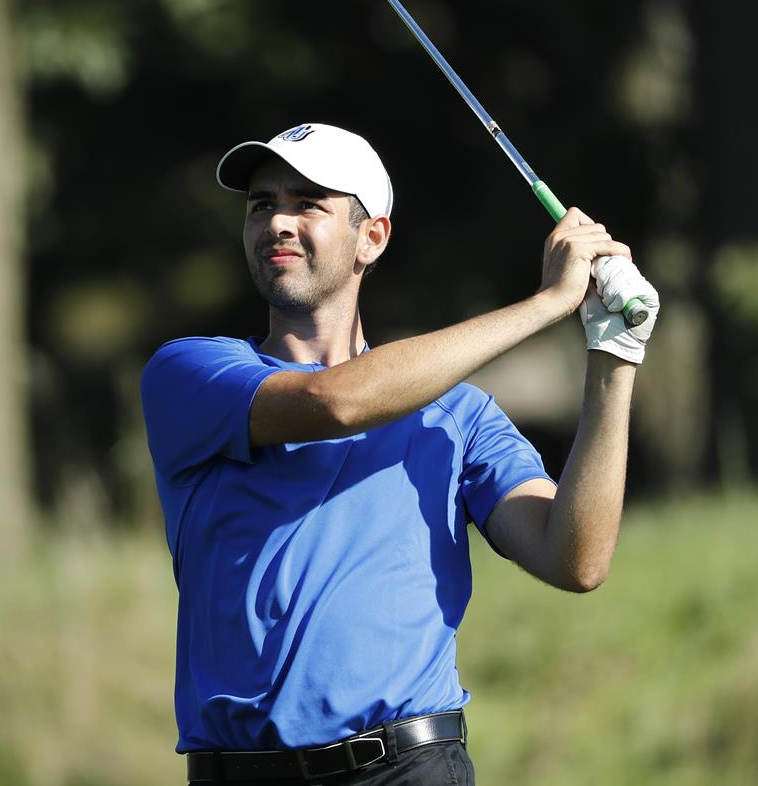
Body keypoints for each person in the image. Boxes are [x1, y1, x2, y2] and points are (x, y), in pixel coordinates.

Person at [141, 123, 659, 785]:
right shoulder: (190, 373)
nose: (277, 221)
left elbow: (575, 557)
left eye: (308, 203)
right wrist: (548, 304)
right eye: (262, 203)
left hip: (404, 768)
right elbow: (335, 402)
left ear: (372, 238)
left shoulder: (461, 416)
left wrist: (614, 358)